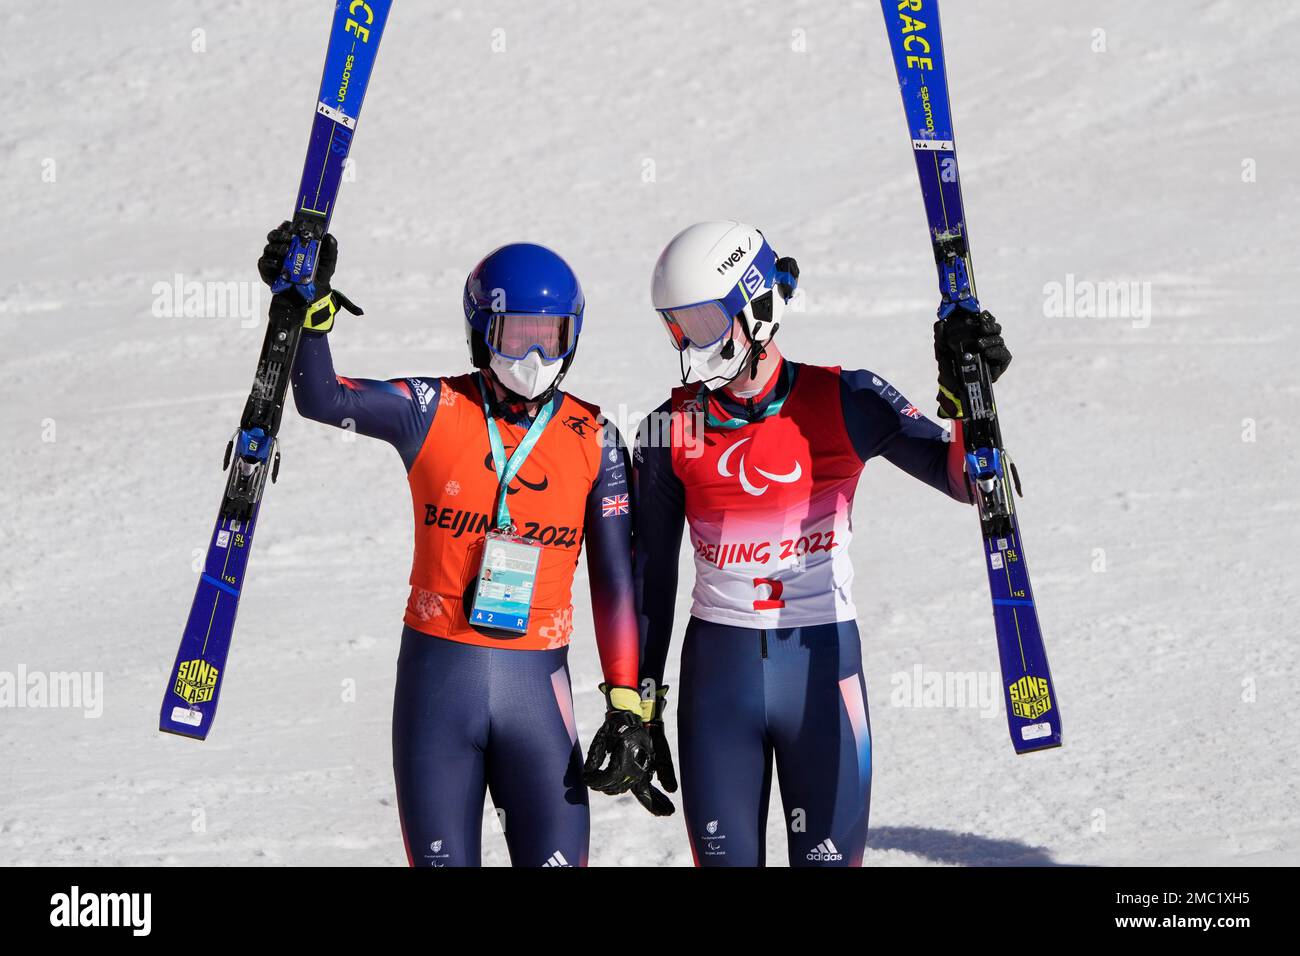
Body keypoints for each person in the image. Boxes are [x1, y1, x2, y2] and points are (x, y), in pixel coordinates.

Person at [258, 226, 671, 867]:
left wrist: (628, 705)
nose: (534, 356)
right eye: (516, 334)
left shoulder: (596, 437)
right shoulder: (432, 408)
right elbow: (322, 399)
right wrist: (308, 313)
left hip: (539, 696)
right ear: (482, 329)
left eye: (551, 335)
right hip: (436, 690)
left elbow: (615, 581)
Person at [632, 220, 1012, 866]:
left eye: (702, 324)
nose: (691, 347)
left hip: (821, 671)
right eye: (679, 327)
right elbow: (650, 580)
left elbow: (969, 481)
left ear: (754, 311)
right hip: (717, 686)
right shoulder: (669, 429)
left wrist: (967, 393)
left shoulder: (846, 400)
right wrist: (639, 702)